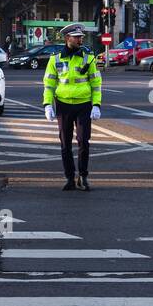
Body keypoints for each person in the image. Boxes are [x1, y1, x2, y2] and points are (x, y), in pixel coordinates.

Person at [41, 23, 102, 191]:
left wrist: (96, 105)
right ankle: (69, 177)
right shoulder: (55, 59)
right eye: (77, 37)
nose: (80, 39)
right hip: (63, 105)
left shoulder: (88, 58)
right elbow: (49, 84)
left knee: (83, 141)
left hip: (84, 105)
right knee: (65, 143)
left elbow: (96, 84)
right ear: (67, 38)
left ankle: (83, 176)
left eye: (81, 37)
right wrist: (47, 105)